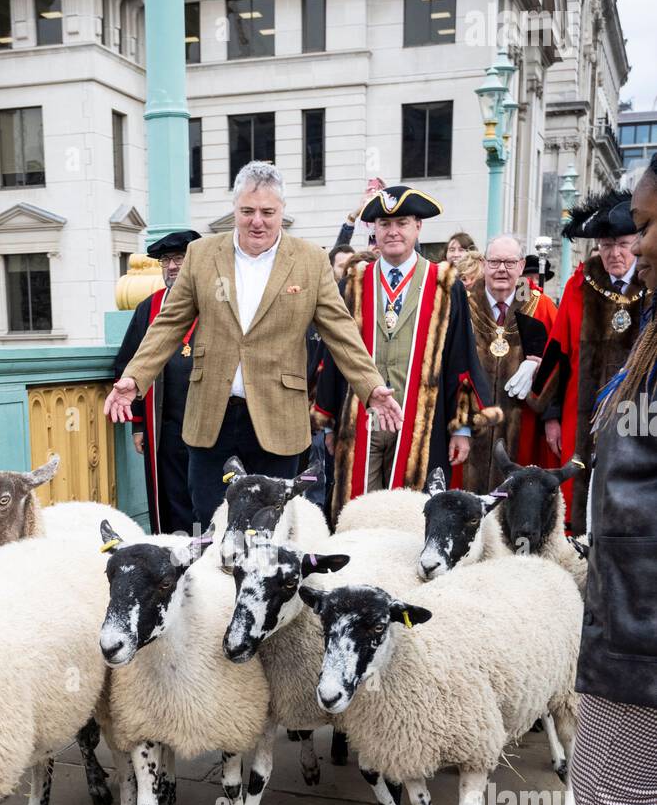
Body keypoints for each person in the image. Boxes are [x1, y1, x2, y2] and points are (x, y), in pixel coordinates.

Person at [103, 161, 402, 529]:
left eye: (267, 212)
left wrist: (371, 387)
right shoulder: (201, 254)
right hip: (211, 417)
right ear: (235, 211)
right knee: (210, 525)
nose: (256, 221)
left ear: (281, 212)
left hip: (278, 419)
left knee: (269, 528)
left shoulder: (309, 260)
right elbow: (168, 324)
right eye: (247, 211)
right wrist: (135, 378)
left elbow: (340, 331)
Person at [553, 153, 657, 805]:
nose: (640, 241)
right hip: (630, 594)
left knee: (611, 792)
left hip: (643, 621)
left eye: (652, 226)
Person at [312, 184, 500, 520]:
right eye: (385, 224)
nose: (393, 231)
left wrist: (461, 428)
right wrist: (326, 420)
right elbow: (333, 351)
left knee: (411, 519)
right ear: (374, 231)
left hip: (421, 421)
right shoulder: (354, 281)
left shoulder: (444, 283)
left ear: (418, 227)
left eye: (402, 223)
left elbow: (461, 357)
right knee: (357, 517)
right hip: (360, 420)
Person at [529, 190, 647, 534]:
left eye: (623, 244)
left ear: (638, 240)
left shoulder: (652, 285)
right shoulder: (579, 285)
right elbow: (556, 356)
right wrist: (550, 417)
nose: (614, 253)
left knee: (632, 491)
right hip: (579, 414)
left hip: (640, 414)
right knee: (578, 495)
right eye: (606, 245)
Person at [112, 229, 200, 533]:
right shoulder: (149, 307)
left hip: (213, 420)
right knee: (172, 498)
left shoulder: (217, 301)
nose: (172, 266)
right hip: (165, 424)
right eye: (166, 261)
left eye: (179, 258)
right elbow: (127, 365)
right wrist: (138, 423)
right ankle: (176, 557)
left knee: (209, 496)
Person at [463, 233, 557, 492]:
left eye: (509, 262)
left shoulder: (542, 308)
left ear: (520, 265)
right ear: (483, 264)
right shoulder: (462, 304)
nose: (501, 269)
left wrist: (539, 370)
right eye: (494, 262)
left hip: (523, 426)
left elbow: (561, 369)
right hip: (470, 426)